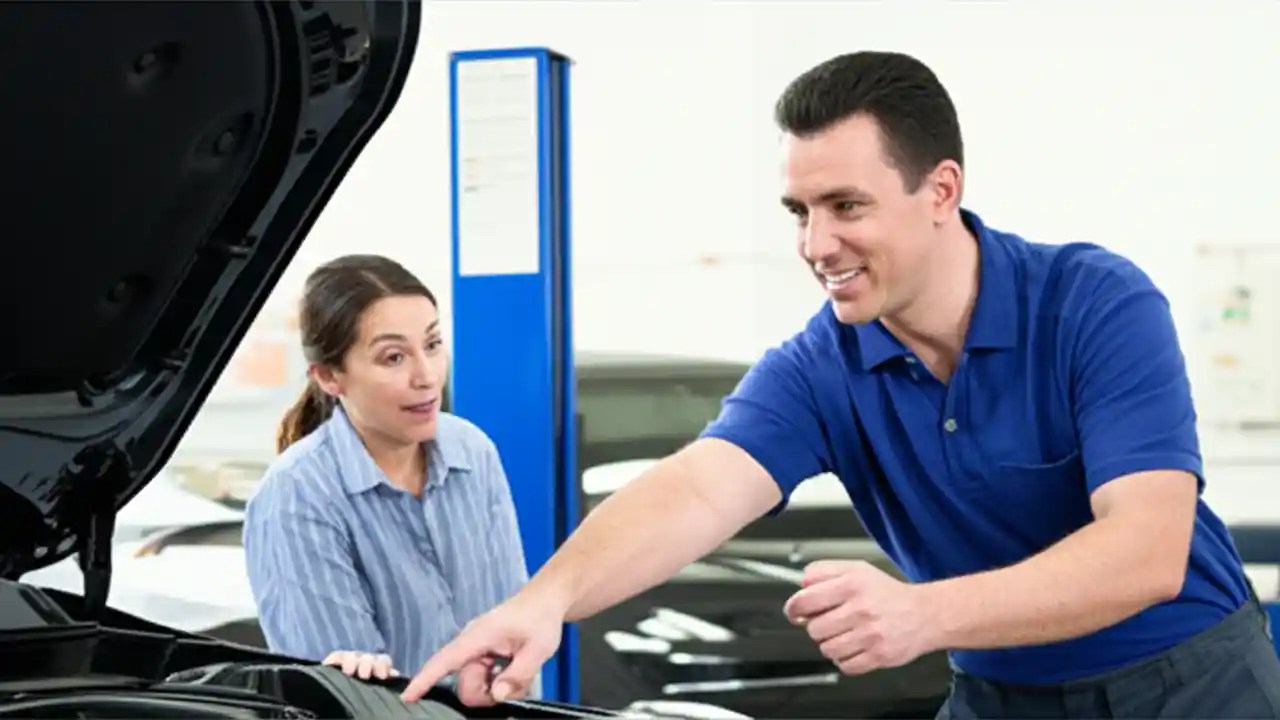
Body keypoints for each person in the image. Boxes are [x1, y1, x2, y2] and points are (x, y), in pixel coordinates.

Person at [398, 51, 1280, 718]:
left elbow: (1147, 554)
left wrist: (923, 616)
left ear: (941, 190)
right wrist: (542, 604)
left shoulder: (1094, 305)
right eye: (800, 212)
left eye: (847, 207)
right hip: (998, 694)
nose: (816, 245)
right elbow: (697, 487)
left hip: (1189, 685)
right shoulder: (823, 365)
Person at [241, 254, 529, 683]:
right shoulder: (297, 495)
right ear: (329, 377)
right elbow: (345, 696)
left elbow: (516, 629)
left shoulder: (472, 451)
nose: (427, 376)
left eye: (432, 345)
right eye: (394, 357)